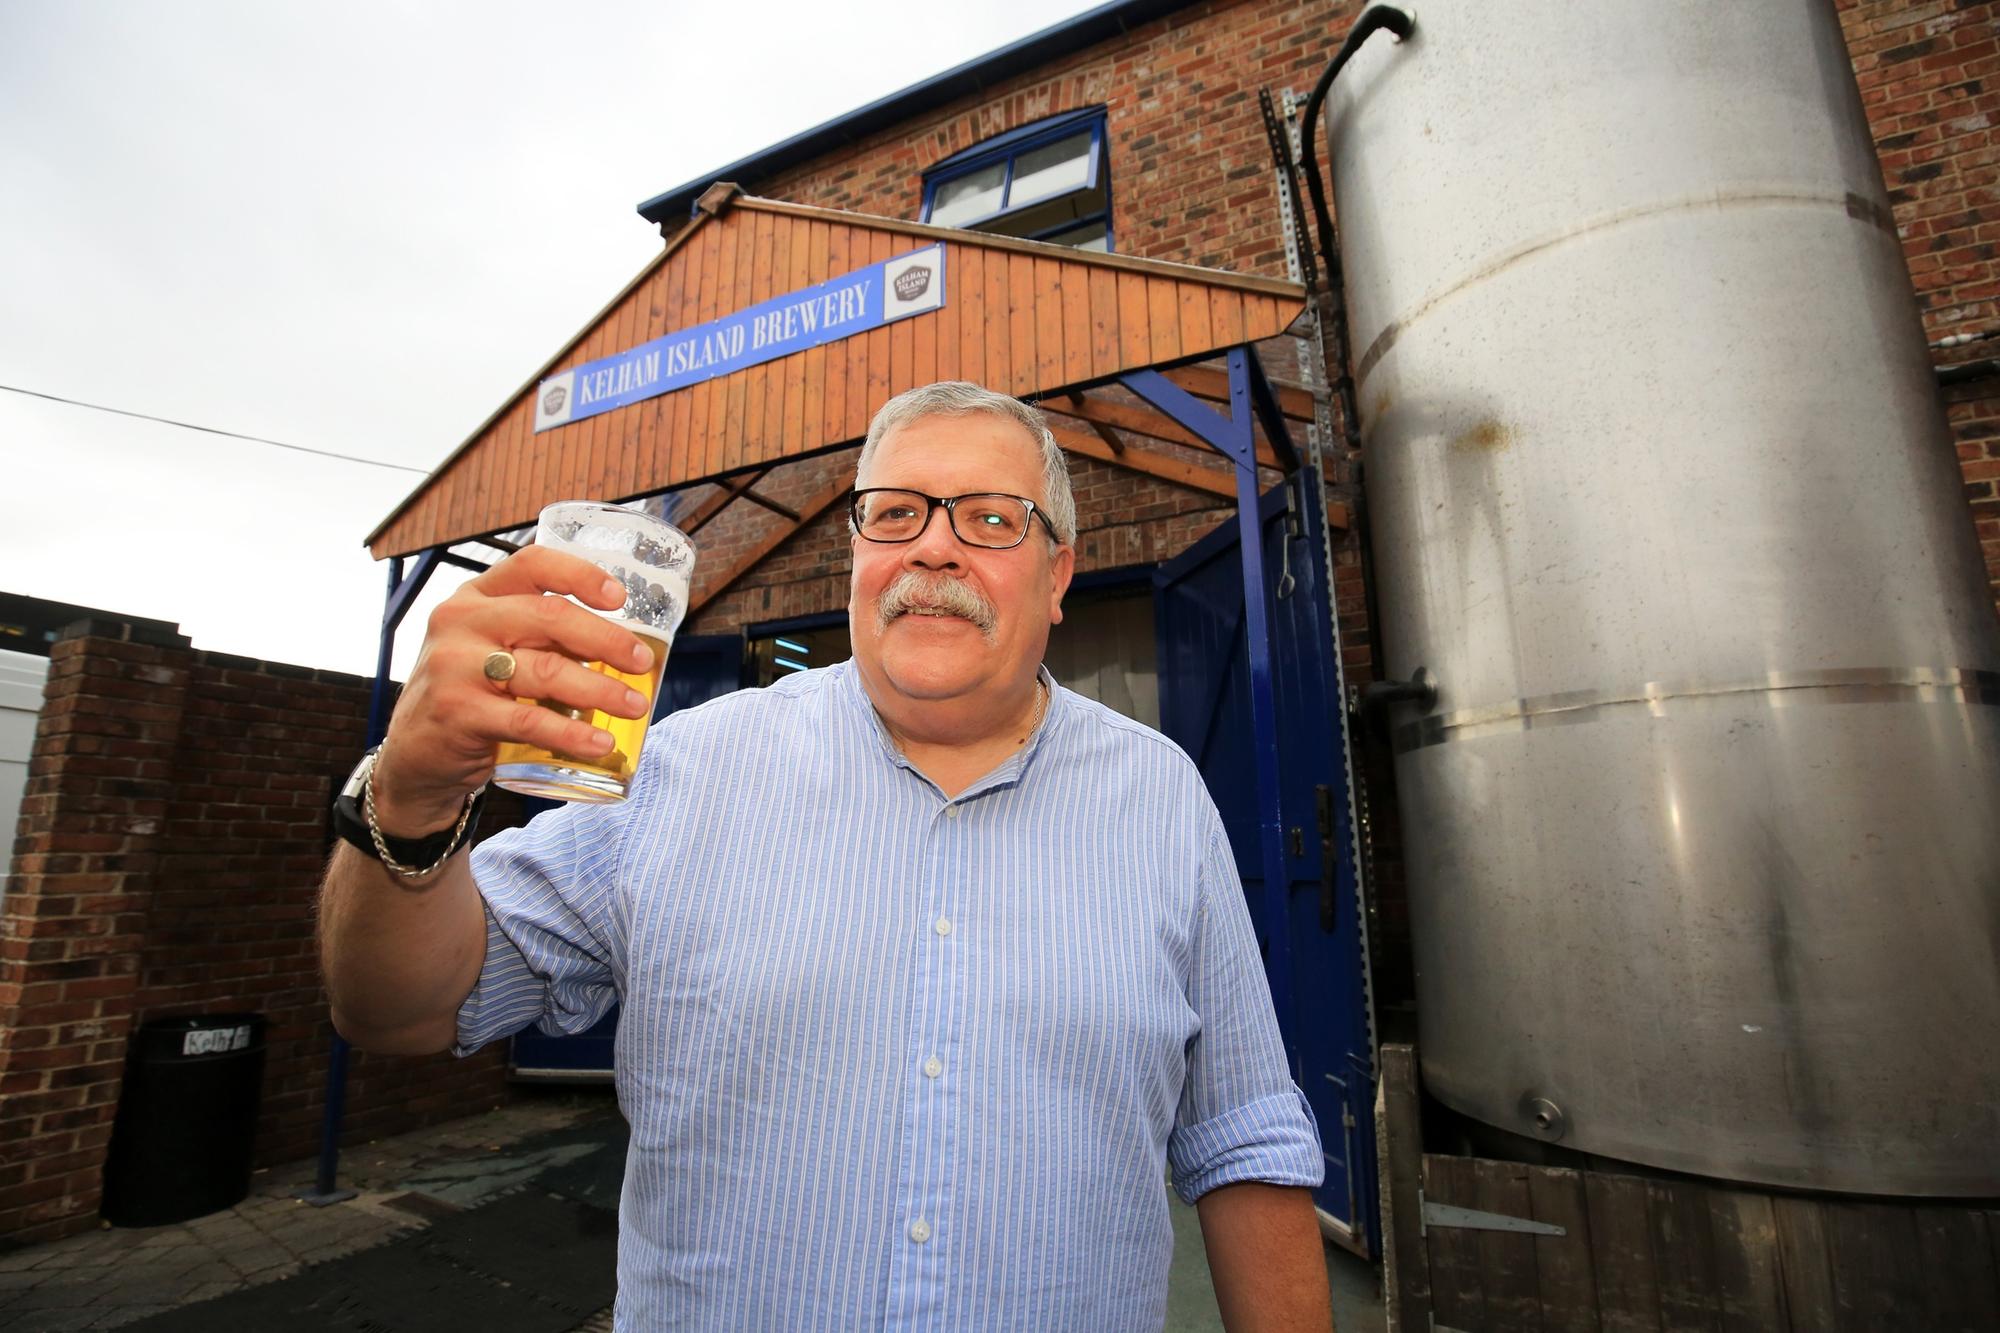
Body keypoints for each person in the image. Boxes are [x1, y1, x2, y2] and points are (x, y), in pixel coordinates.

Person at [320, 381, 1334, 1331]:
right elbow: (395, 1010)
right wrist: (410, 799)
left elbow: (1243, 1131)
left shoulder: (1160, 799)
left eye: (990, 519)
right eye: (894, 513)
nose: (933, 547)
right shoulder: (683, 771)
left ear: (1058, 573)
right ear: (855, 552)